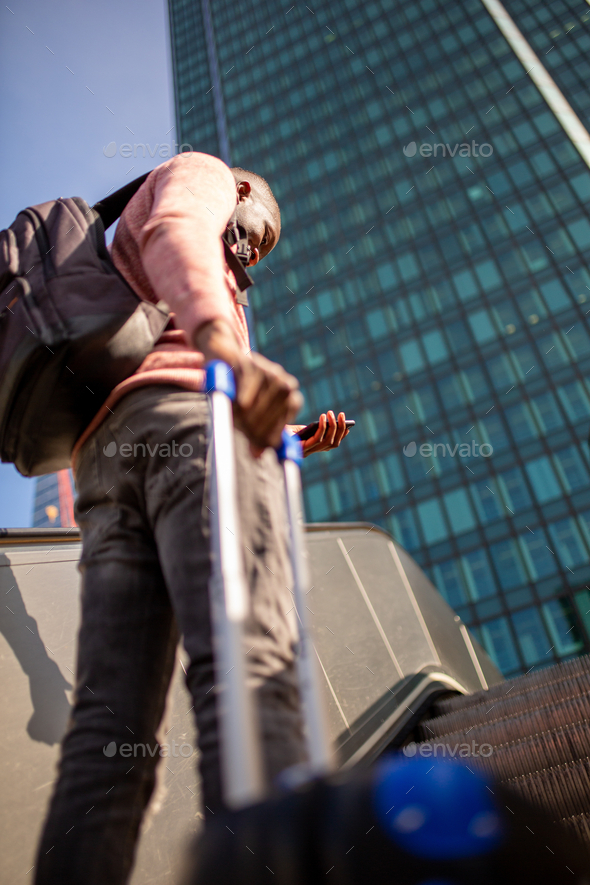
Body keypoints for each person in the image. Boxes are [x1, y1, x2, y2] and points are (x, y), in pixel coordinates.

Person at [34, 151, 350, 885]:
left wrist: (285, 439)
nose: (254, 250)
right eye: (262, 233)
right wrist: (222, 347)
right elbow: (177, 227)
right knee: (251, 670)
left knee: (111, 732)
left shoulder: (150, 264)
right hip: (190, 431)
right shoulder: (207, 174)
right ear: (247, 193)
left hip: (111, 463)